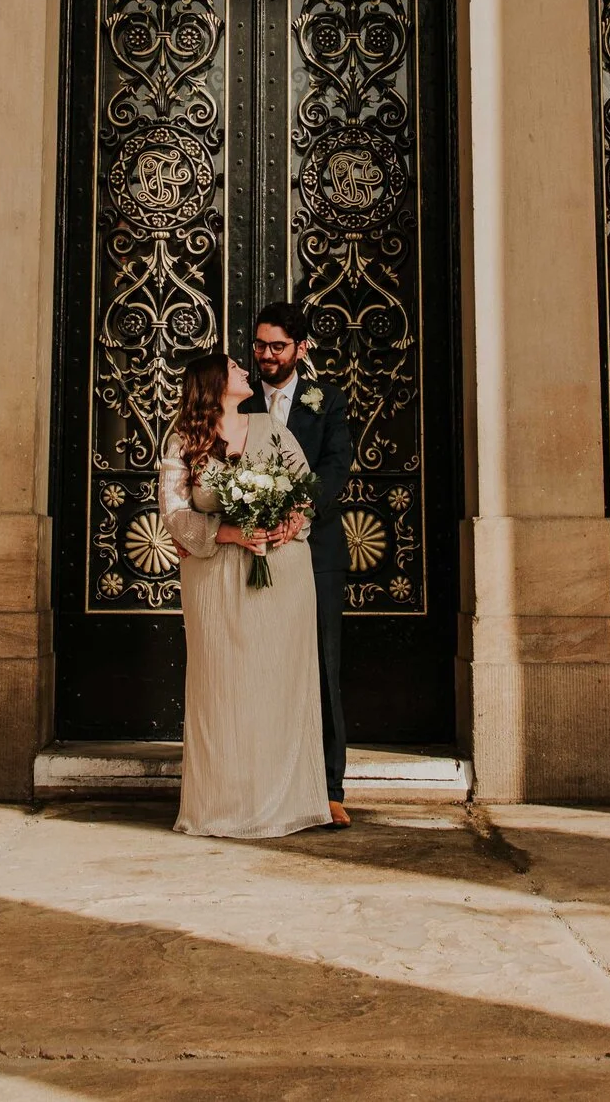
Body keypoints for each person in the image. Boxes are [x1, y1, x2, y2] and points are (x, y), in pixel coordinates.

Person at [158, 351, 332, 839]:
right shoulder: (183, 440)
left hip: (281, 572)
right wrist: (230, 532)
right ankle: (223, 806)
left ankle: (283, 802)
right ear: (214, 385)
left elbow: (303, 488)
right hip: (214, 580)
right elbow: (174, 512)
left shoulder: (270, 428)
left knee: (277, 681)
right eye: (235, 369)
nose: (245, 372)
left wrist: (288, 521)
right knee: (223, 687)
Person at [249, 302, 356, 828]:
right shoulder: (240, 399)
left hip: (317, 553)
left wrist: (302, 509)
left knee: (321, 666)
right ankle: (265, 783)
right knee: (260, 667)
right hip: (252, 551)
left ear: (301, 348)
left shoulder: (326, 400)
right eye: (260, 345)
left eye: (278, 347)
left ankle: (330, 789)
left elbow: (337, 464)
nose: (266, 356)